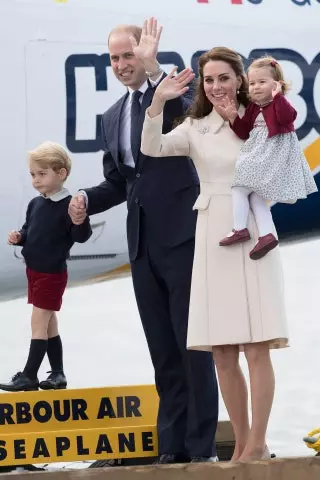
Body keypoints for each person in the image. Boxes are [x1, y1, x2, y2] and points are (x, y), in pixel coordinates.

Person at [68, 18, 218, 464]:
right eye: (113, 58)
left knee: (193, 347)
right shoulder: (112, 116)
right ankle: (171, 449)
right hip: (142, 244)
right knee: (162, 350)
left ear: (143, 53)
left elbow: (197, 114)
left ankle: (200, 449)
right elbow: (119, 183)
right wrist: (83, 200)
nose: (119, 64)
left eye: (127, 55)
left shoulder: (173, 92)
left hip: (183, 237)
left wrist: (156, 73)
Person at [140, 47, 289, 462]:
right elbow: (153, 148)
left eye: (224, 77)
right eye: (209, 79)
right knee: (223, 350)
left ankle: (258, 442)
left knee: (256, 344)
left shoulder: (260, 115)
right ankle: (241, 442)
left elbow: (274, 162)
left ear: (240, 79)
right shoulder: (195, 125)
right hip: (212, 231)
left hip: (254, 230)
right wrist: (158, 101)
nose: (217, 86)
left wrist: (234, 119)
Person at [0, 142, 92, 392]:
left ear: (61, 173)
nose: (36, 180)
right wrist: (19, 237)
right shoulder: (36, 204)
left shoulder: (70, 205)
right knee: (50, 324)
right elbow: (31, 231)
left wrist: (80, 218)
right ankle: (58, 374)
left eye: (42, 174)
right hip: (34, 272)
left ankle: (29, 376)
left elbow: (80, 235)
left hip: (51, 274)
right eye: (32, 174)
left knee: (38, 322)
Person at [218, 56, 317, 259]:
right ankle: (267, 235)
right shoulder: (254, 108)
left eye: (262, 82)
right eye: (252, 83)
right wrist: (233, 118)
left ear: (276, 85)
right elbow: (244, 131)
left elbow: (287, 118)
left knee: (239, 187)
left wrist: (278, 97)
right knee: (255, 195)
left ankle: (239, 229)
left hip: (273, 156)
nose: (255, 87)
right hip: (262, 155)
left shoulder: (281, 104)